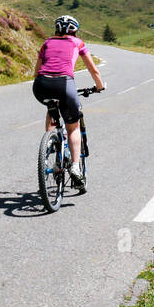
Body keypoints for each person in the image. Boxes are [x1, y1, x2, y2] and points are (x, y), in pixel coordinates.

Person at [31, 15, 103, 184]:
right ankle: (76, 167)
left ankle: (50, 143)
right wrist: (99, 86)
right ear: (74, 31)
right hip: (64, 84)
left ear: (56, 29)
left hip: (40, 85)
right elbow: (93, 70)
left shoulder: (46, 43)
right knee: (73, 127)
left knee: (51, 107)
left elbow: (36, 72)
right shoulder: (77, 43)